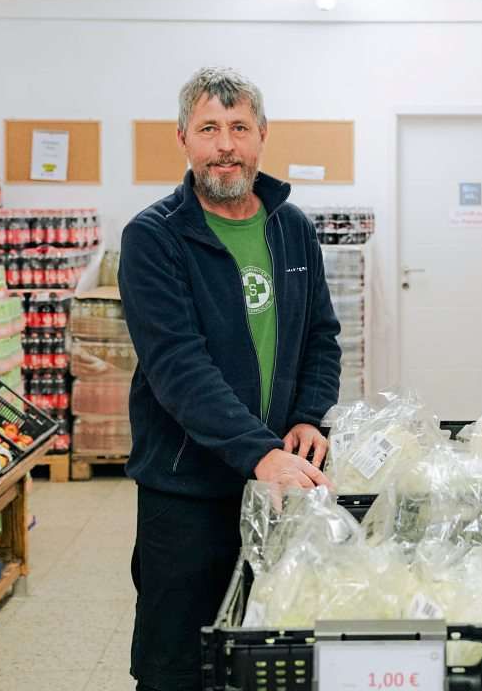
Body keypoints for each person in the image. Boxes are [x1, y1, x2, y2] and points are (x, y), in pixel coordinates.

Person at [118, 67, 342, 691]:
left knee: (267, 651)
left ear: (262, 135)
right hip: (186, 485)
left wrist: (306, 416)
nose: (225, 144)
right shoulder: (155, 237)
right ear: (183, 139)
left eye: (239, 127)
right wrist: (260, 452)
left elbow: (321, 334)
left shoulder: (290, 226)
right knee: (177, 663)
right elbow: (177, 368)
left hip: (275, 481)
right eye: (209, 128)